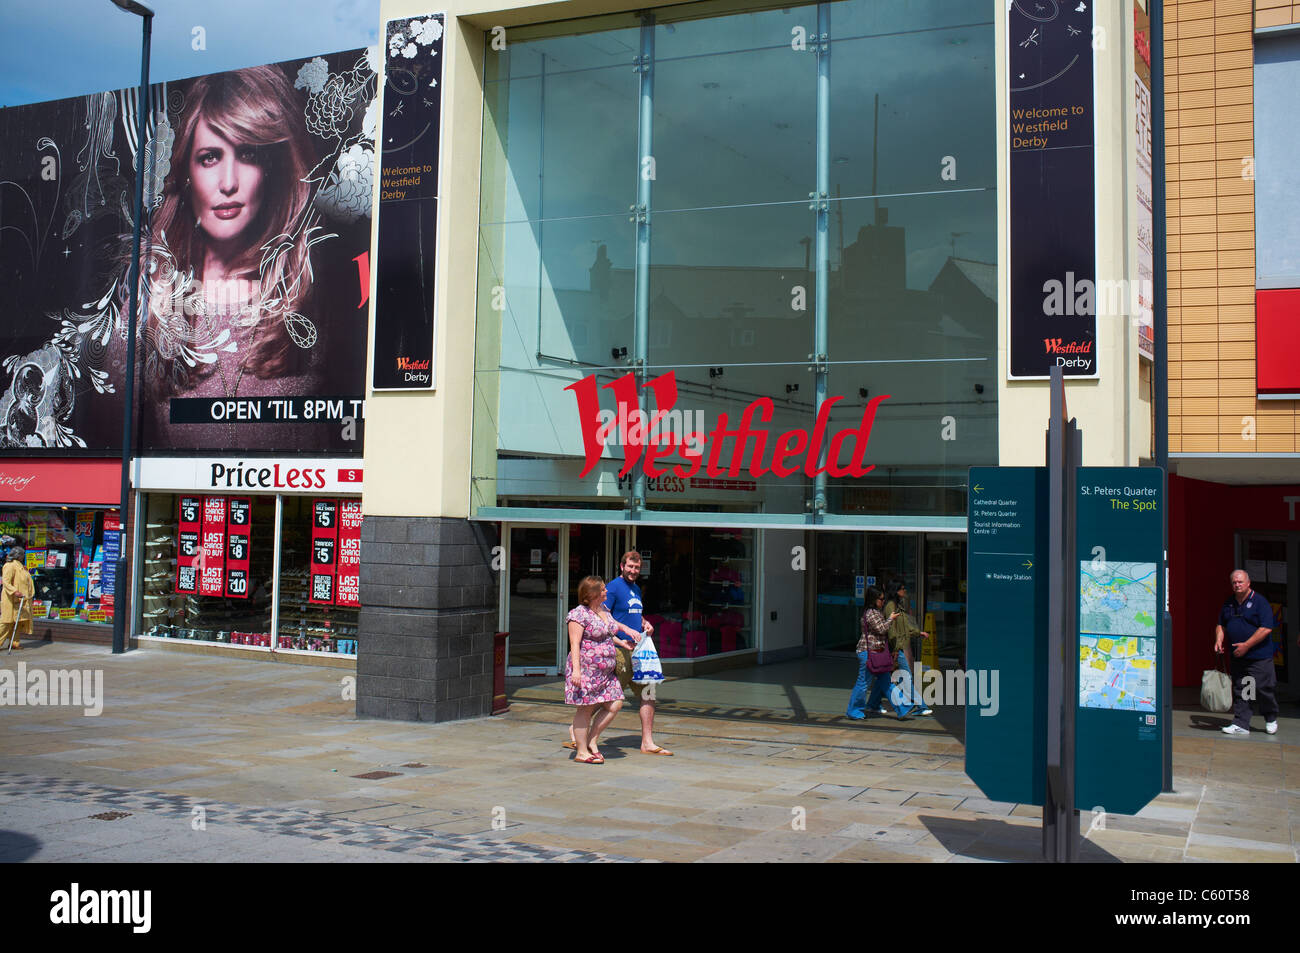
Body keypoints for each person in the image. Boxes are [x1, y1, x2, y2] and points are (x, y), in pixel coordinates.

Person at [127, 64, 349, 449]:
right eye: (210, 157)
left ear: (274, 168)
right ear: (185, 172)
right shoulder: (148, 306)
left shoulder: (317, 297)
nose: (228, 182)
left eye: (247, 154)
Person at [565, 551, 670, 755]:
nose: (633, 570)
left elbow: (633, 614)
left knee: (649, 693)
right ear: (622, 566)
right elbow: (603, 616)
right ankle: (577, 729)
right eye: (630, 566)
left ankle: (647, 742)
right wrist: (622, 637)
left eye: (637, 567)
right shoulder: (612, 588)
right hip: (618, 653)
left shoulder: (636, 589)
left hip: (638, 652)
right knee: (606, 697)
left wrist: (644, 623)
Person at [564, 575, 643, 764]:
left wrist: (622, 641)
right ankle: (582, 751)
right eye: (603, 589)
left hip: (605, 673)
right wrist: (577, 671)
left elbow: (609, 631)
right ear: (592, 593)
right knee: (585, 709)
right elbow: (574, 644)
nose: (606, 591)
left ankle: (591, 739)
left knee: (615, 703)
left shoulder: (603, 610)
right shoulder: (579, 614)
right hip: (587, 670)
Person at [1215, 569, 1278, 736]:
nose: (1237, 585)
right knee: (1243, 689)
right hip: (1239, 658)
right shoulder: (1229, 603)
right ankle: (1241, 723)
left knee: (1265, 688)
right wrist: (1219, 639)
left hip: (1259, 657)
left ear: (1248, 583)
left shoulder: (1260, 602)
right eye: (1234, 582)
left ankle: (1270, 717)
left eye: (1240, 582)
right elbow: (1221, 624)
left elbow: (1266, 628)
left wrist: (1247, 645)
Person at [846, 586, 910, 719]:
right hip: (869, 654)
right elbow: (881, 629)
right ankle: (853, 710)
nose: (883, 601)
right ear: (874, 599)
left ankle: (903, 707)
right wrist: (891, 618)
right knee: (863, 683)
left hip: (877, 653)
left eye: (883, 599)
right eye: (881, 599)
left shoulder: (875, 612)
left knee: (886, 682)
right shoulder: (871, 613)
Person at [883, 578, 933, 716]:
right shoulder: (890, 607)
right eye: (902, 588)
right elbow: (891, 630)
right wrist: (896, 649)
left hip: (898, 647)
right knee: (905, 677)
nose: (905, 590)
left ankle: (872, 704)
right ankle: (921, 706)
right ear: (896, 590)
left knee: (884, 679)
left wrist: (918, 633)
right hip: (896, 648)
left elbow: (904, 626)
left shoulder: (898, 606)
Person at [2, 545, 35, 650]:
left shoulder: (21, 566)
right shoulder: (9, 565)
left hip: (22, 599)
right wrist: (14, 591)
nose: (23, 557)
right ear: (18, 555)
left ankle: (14, 643)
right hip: (11, 599)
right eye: (22, 555)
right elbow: (6, 582)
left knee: (19, 622)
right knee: (6, 622)